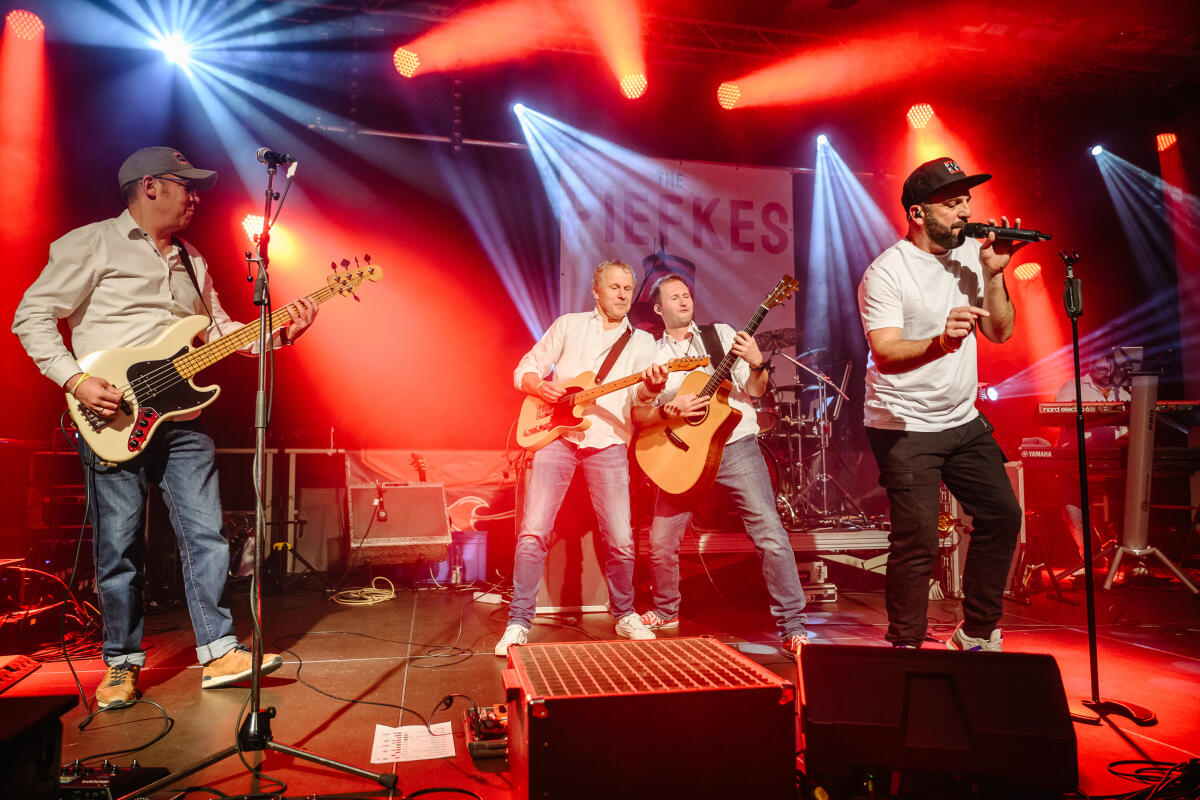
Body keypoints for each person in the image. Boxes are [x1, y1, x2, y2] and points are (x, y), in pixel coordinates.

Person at [12, 146, 319, 708]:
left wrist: (279, 333)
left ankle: (219, 650)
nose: (196, 195)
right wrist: (76, 381)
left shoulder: (192, 260)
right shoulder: (91, 242)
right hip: (112, 413)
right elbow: (29, 316)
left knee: (206, 534)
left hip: (182, 419)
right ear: (149, 186)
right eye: (187, 185)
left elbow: (222, 332)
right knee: (120, 545)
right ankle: (122, 662)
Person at [858, 156, 1027, 652]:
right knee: (918, 542)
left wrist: (995, 275)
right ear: (918, 213)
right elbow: (886, 354)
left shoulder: (975, 255)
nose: (965, 211)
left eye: (967, 201)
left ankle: (976, 632)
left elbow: (1000, 331)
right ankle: (905, 648)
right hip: (903, 424)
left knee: (1001, 516)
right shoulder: (887, 272)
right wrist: (941, 343)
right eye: (952, 203)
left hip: (962, 419)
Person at [633, 274, 810, 657]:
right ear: (659, 309)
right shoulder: (650, 351)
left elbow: (756, 390)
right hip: (682, 451)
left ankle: (793, 626)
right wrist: (668, 408)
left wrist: (758, 363)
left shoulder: (721, 335)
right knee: (661, 540)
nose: (684, 301)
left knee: (768, 531)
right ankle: (666, 611)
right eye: (674, 297)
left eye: (687, 295)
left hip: (735, 446)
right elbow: (641, 409)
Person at [494, 260, 664, 655]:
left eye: (628, 288)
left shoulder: (642, 344)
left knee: (621, 537)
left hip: (607, 442)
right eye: (615, 287)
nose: (622, 294)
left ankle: (624, 614)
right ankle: (519, 621)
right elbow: (526, 368)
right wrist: (540, 386)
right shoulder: (568, 325)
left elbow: (638, 402)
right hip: (557, 436)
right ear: (596, 290)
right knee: (534, 529)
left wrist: (652, 390)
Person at [1054, 353, 1129, 565]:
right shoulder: (1072, 388)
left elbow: (1136, 423)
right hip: (1076, 458)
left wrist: (1125, 438)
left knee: (1128, 501)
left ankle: (1124, 553)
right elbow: (1064, 419)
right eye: (1102, 370)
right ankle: (1090, 554)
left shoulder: (1123, 391)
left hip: (1115, 460)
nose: (1107, 375)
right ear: (1090, 365)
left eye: (1111, 370)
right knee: (1072, 508)